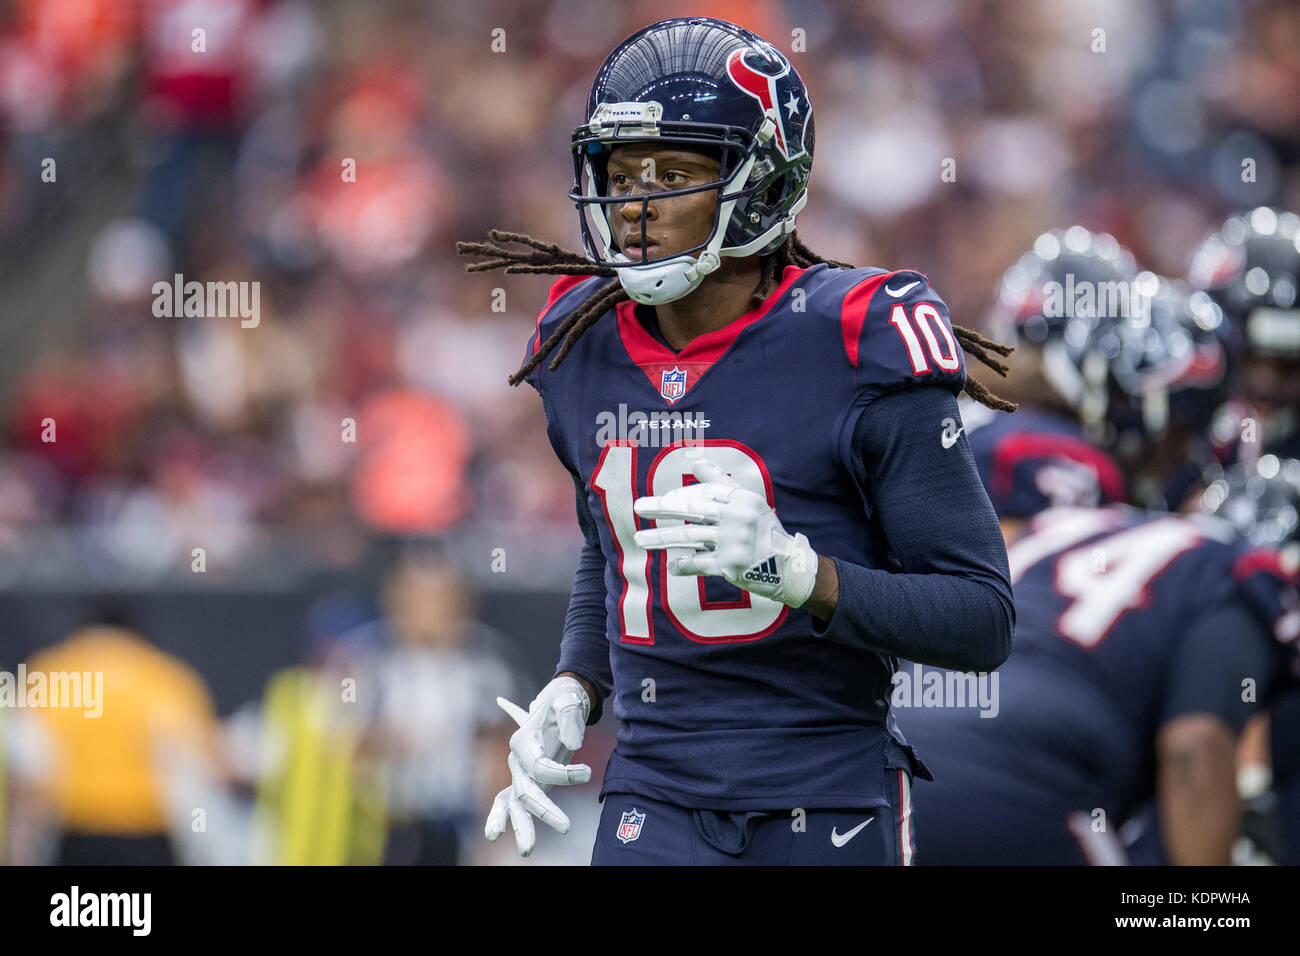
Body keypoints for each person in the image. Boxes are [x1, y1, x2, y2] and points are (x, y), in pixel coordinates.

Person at [458, 16, 1015, 865]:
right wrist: (577, 681)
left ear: (763, 184)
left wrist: (803, 576)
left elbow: (980, 620)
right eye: (621, 170)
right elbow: (611, 543)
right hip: (654, 799)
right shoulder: (580, 339)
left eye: (674, 172)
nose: (635, 203)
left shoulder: (857, 335)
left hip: (827, 796)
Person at [899, 271, 1297, 865]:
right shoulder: (1224, 565)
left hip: (885, 757)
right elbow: (1196, 750)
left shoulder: (1060, 530)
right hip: (1025, 788)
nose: (1184, 458)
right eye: (1183, 429)